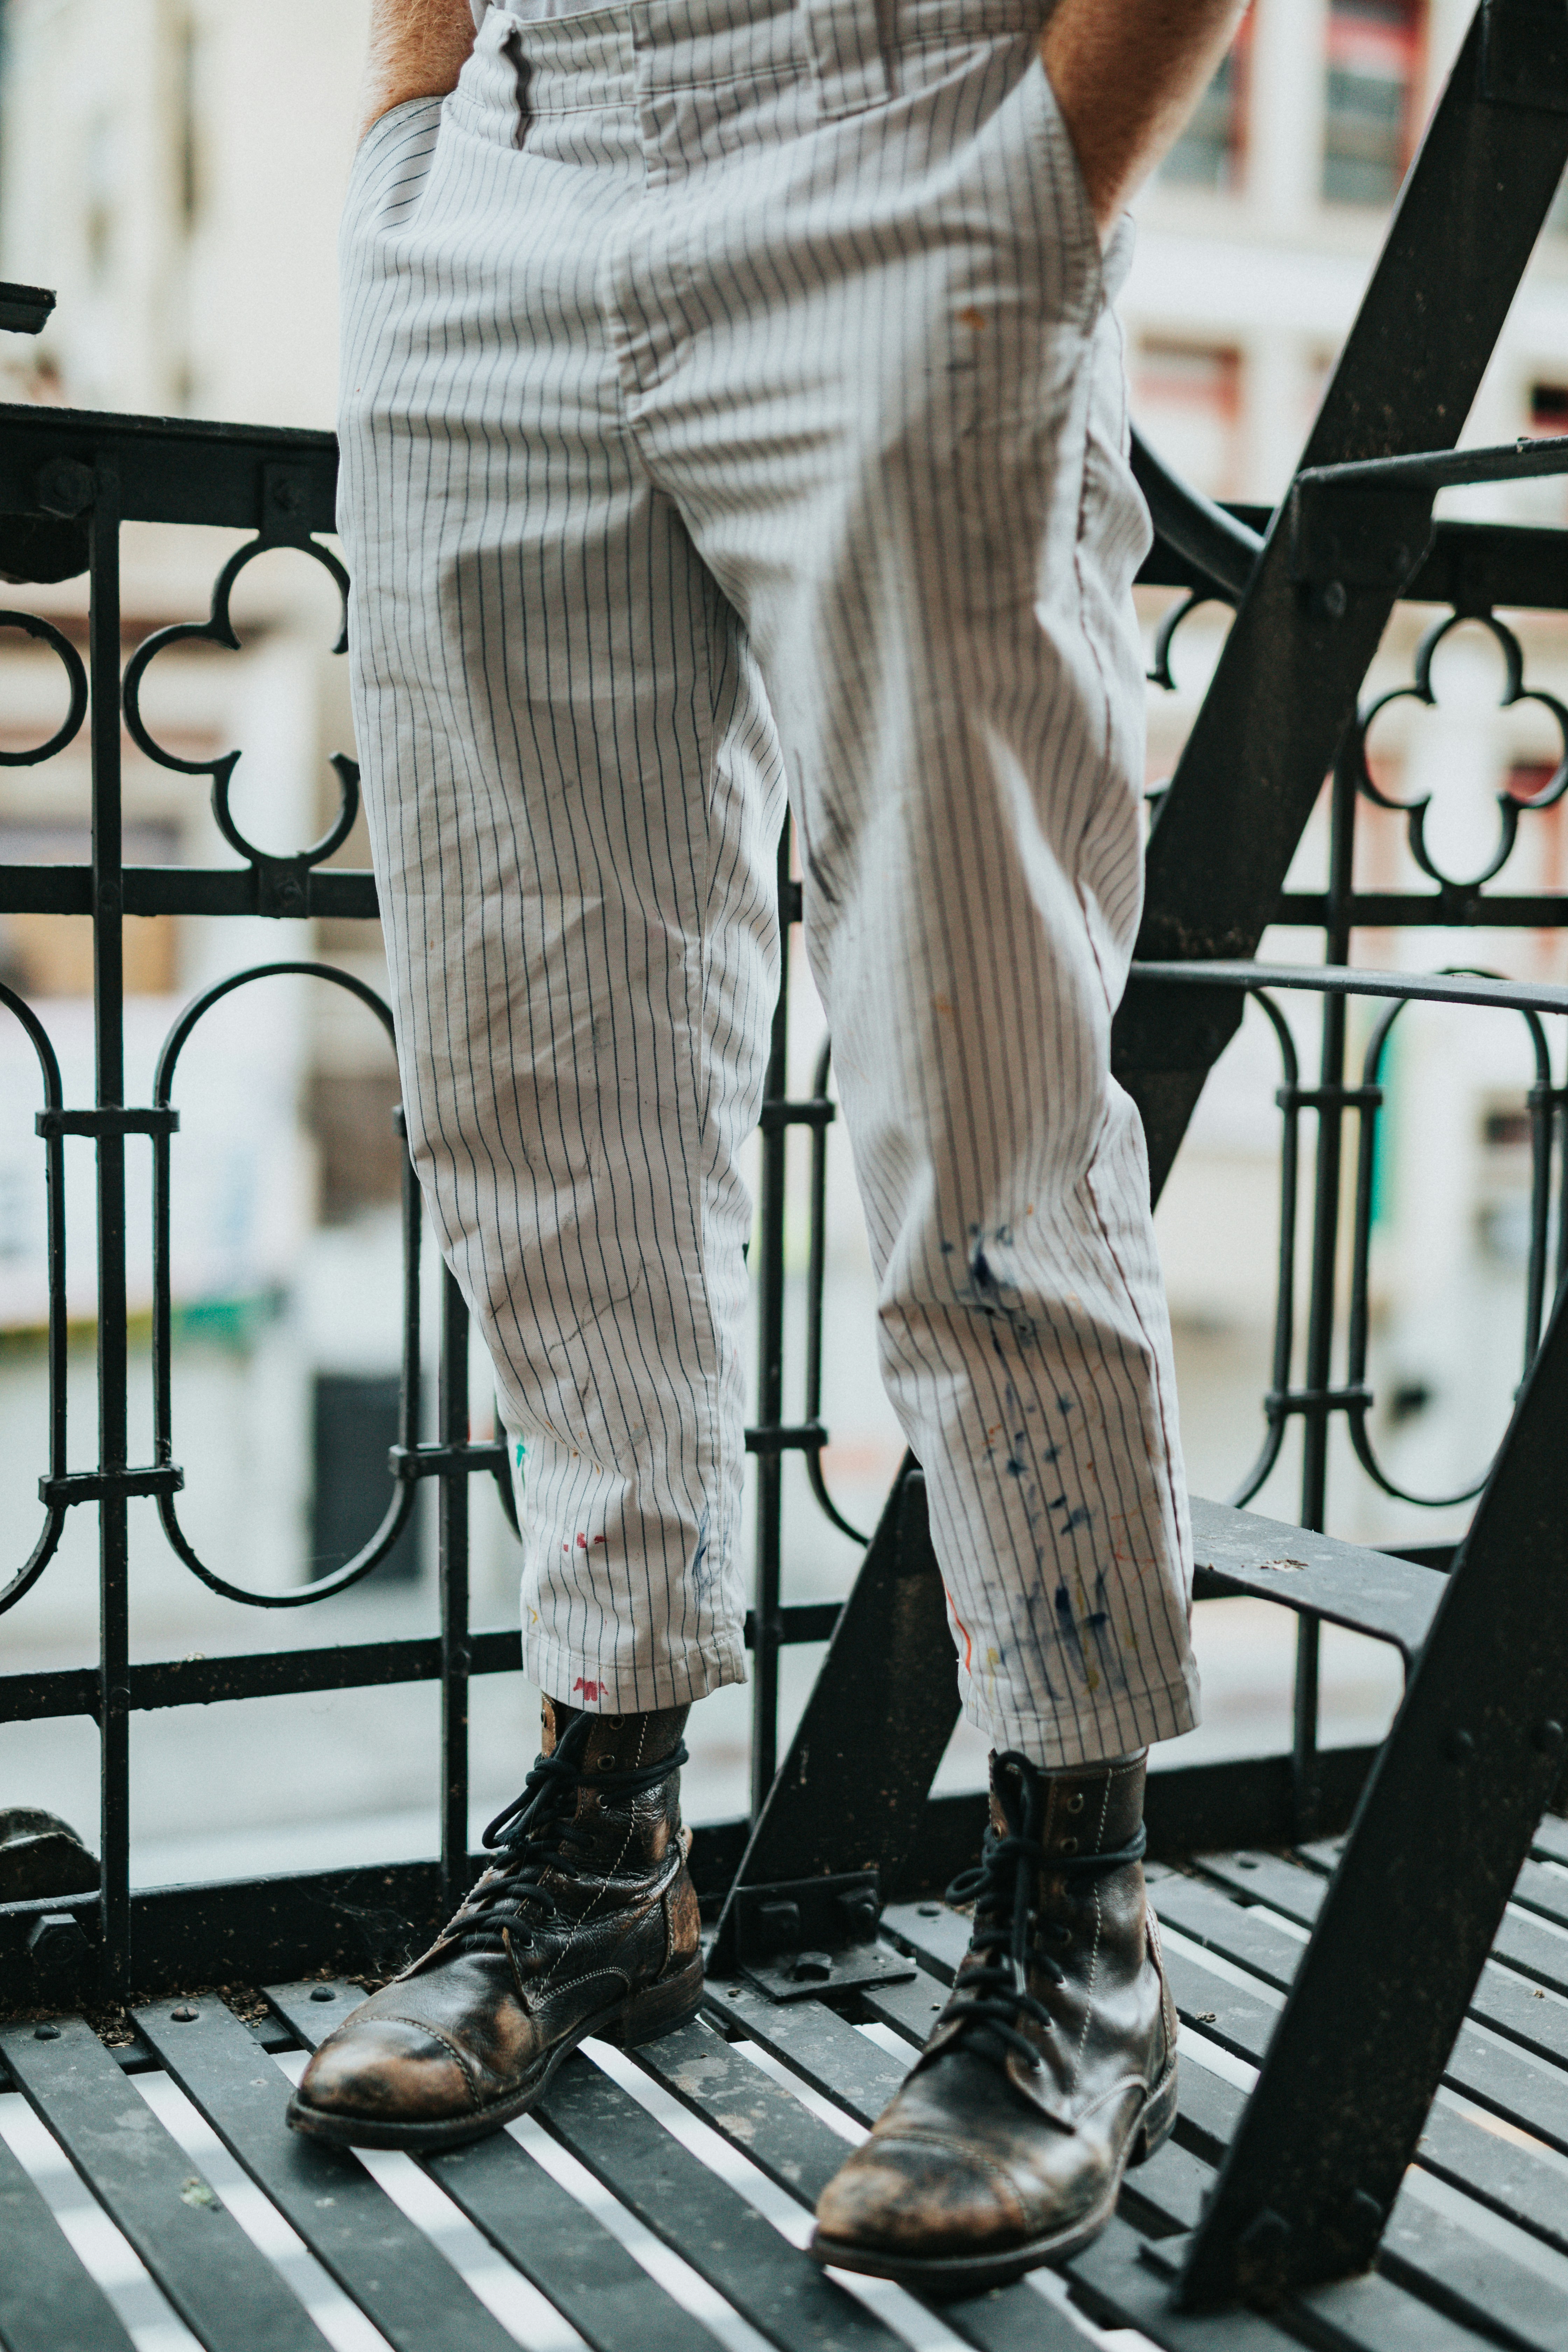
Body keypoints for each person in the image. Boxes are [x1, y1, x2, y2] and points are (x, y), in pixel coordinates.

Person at [285, 0, 1239, 2287]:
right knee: (537, 1079)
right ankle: (606, 1842)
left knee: (979, 1072)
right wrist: (415, 144)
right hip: (502, 181)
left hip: (906, 118)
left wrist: (1045, 179)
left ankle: (1082, 1916)